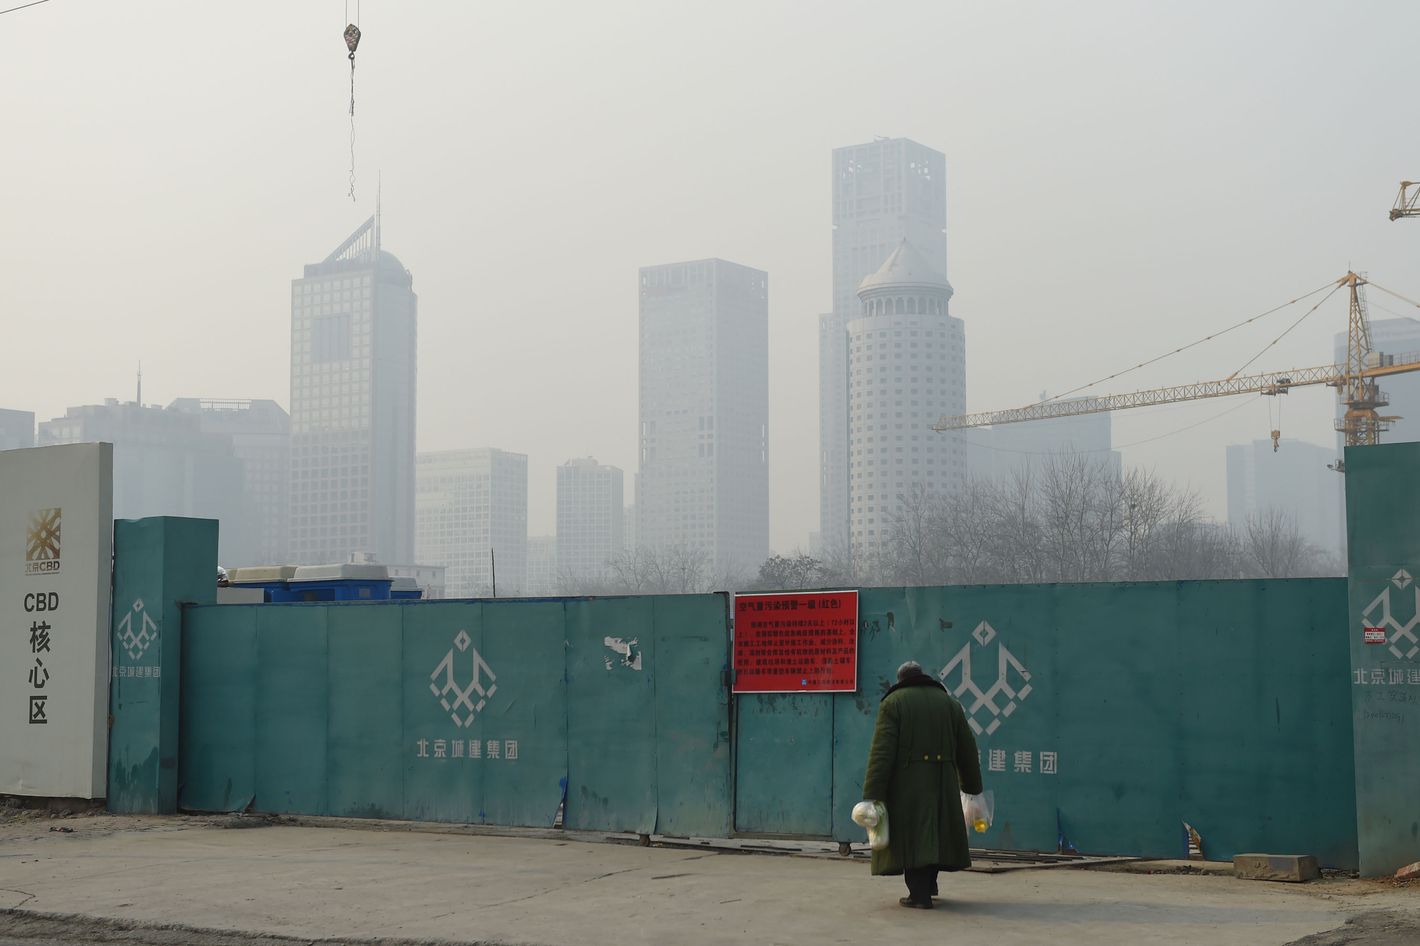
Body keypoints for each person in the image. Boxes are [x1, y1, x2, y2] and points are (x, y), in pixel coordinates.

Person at [861, 659, 984, 909]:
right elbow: (968, 749)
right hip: (943, 782)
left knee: (913, 836)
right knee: (934, 833)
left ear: (901, 679)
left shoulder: (893, 704)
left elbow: (882, 753)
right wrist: (972, 787)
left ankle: (919, 895)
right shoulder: (950, 704)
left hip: (908, 784)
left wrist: (872, 794)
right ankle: (929, 885)